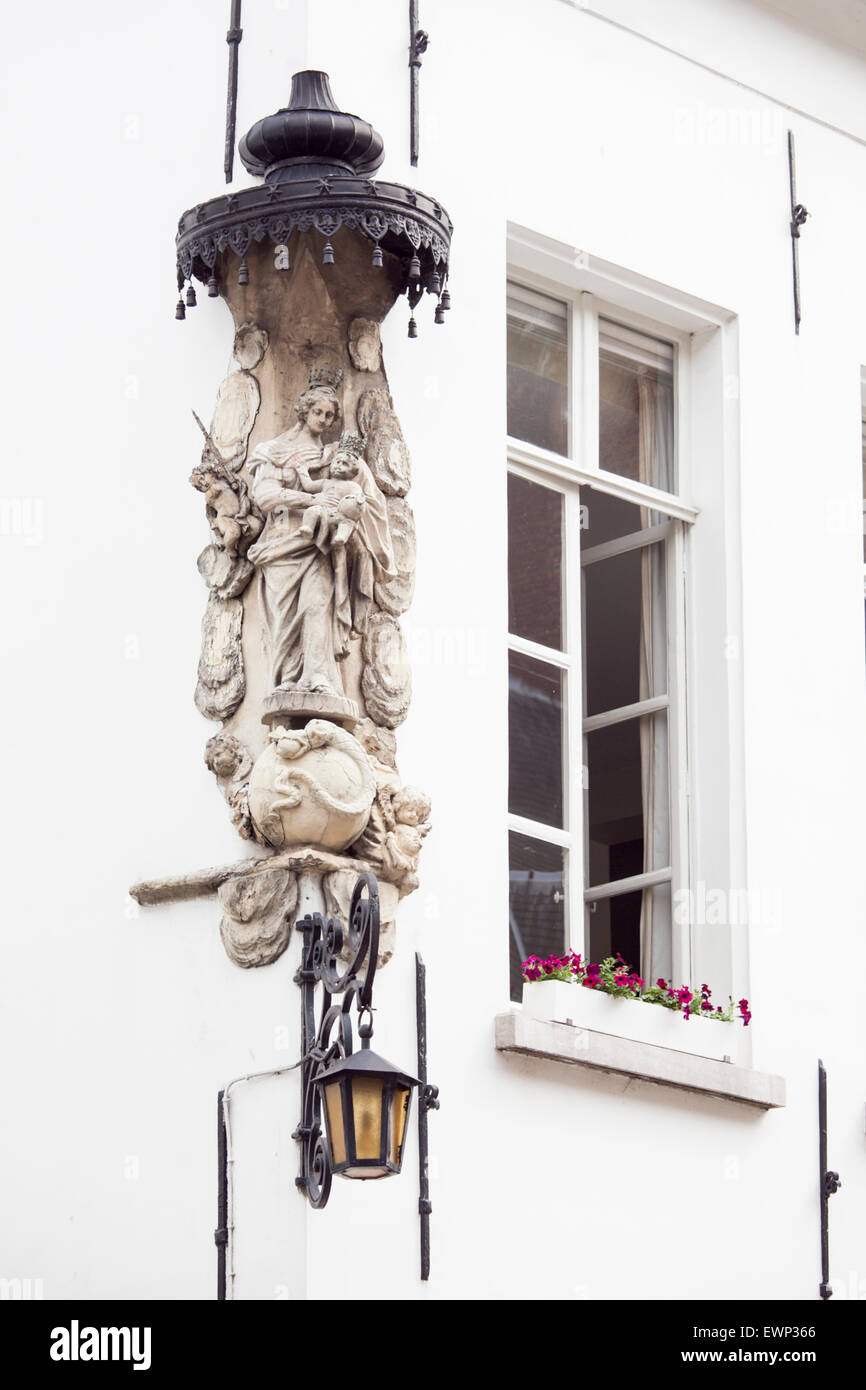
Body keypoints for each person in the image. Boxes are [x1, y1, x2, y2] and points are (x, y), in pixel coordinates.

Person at [247, 383, 395, 694]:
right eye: (318, 412)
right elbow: (266, 497)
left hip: (320, 542)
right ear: (303, 411)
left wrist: (351, 503)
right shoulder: (273, 451)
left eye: (330, 415)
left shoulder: (334, 456)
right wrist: (310, 501)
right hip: (282, 542)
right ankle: (287, 679)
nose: (324, 420)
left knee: (316, 605)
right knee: (285, 617)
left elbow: (359, 496)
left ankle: (317, 676)